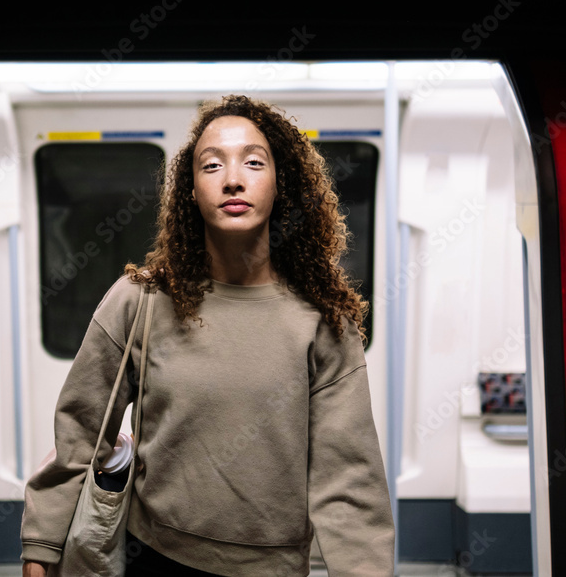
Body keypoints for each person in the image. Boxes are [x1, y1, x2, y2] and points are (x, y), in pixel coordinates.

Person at [21, 94, 394, 576]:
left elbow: (348, 477)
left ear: (281, 184)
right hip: (153, 556)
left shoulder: (323, 320)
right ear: (190, 190)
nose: (233, 178)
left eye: (254, 162)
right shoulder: (141, 301)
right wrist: (41, 546)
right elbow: (80, 433)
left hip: (271, 568)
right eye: (212, 164)